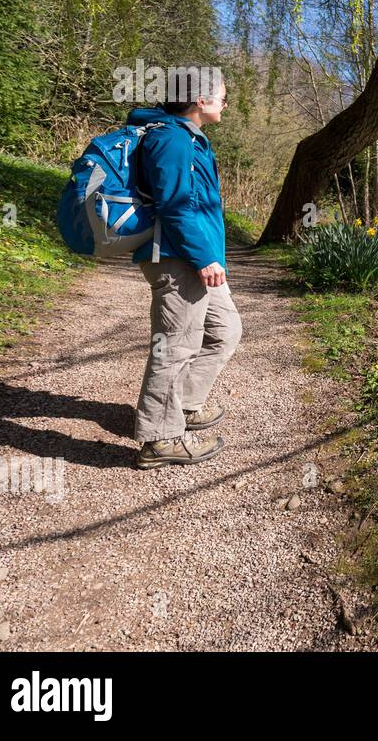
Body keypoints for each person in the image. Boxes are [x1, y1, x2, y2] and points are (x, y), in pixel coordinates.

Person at [129, 65, 240, 469]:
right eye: (222, 95)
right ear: (199, 100)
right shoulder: (171, 140)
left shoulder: (191, 139)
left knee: (225, 331)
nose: (226, 103)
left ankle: (183, 406)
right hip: (178, 259)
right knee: (175, 348)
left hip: (197, 258)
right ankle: (159, 438)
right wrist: (203, 257)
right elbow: (176, 207)